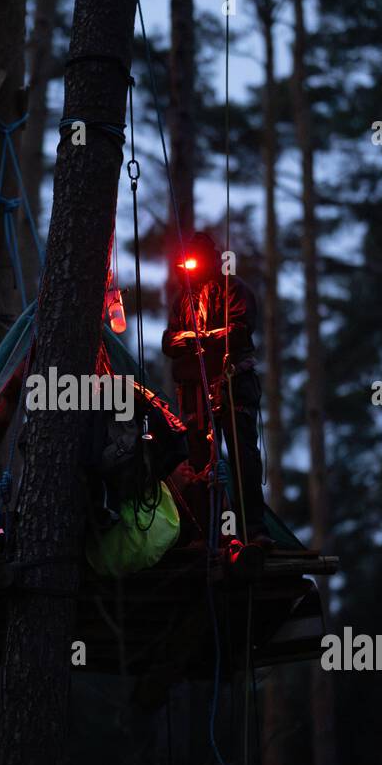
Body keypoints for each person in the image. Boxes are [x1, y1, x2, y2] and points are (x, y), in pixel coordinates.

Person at [161, 231, 268, 542]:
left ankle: (253, 531)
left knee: (242, 457)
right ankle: (202, 532)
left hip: (234, 385)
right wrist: (198, 339)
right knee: (197, 462)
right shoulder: (184, 300)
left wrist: (196, 339)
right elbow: (169, 341)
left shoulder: (234, 290)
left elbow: (239, 331)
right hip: (194, 391)